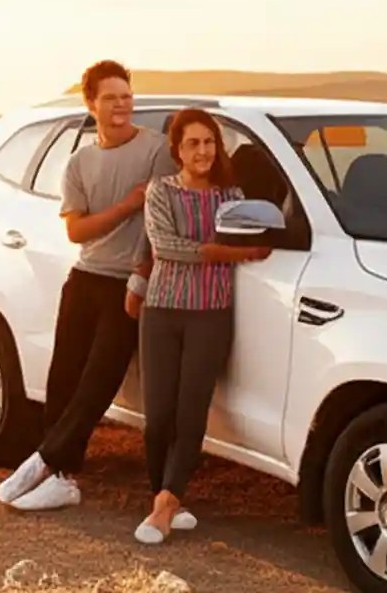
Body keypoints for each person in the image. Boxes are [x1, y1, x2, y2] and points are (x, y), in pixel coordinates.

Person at [0, 60, 176, 511]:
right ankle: (60, 476)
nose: (122, 105)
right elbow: (76, 231)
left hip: (127, 284)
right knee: (64, 379)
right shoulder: (80, 161)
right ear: (91, 103)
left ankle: (44, 461)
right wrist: (126, 205)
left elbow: (163, 221)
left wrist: (140, 270)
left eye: (126, 96)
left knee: (99, 380)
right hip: (84, 278)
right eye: (111, 97)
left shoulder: (157, 151)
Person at [132, 107, 271, 544]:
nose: (203, 150)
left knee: (191, 413)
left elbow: (254, 236)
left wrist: (245, 248)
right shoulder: (161, 191)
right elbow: (168, 248)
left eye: (209, 142)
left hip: (210, 314)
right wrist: (233, 254)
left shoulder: (233, 196)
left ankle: (165, 506)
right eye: (193, 143)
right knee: (157, 417)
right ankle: (166, 497)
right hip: (162, 312)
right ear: (177, 150)